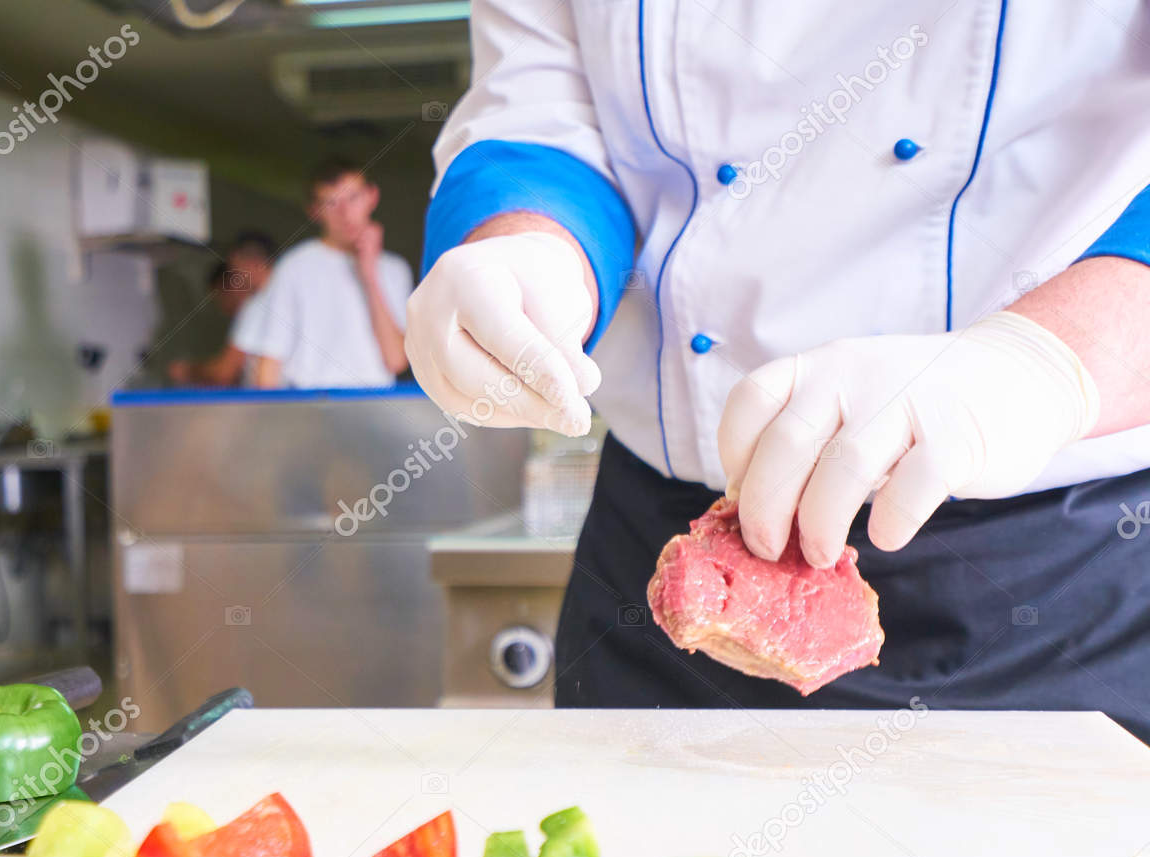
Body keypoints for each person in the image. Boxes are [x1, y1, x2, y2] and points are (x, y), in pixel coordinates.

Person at [405, 2, 1150, 738]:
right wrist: (533, 246)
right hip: (667, 554)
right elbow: (545, 107)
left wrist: (1046, 363)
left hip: (1049, 571)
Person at [247, 159, 412, 389]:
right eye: (331, 203)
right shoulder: (294, 267)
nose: (345, 213)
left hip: (376, 411)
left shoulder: (395, 269)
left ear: (372, 197)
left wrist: (369, 275)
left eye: (353, 198)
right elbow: (270, 361)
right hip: (309, 410)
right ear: (314, 211)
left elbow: (396, 361)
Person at [168, 232, 275, 387]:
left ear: (250, 263)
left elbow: (224, 372)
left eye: (235, 271)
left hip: (272, 404)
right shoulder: (289, 296)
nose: (235, 282)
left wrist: (187, 371)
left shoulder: (257, 306)